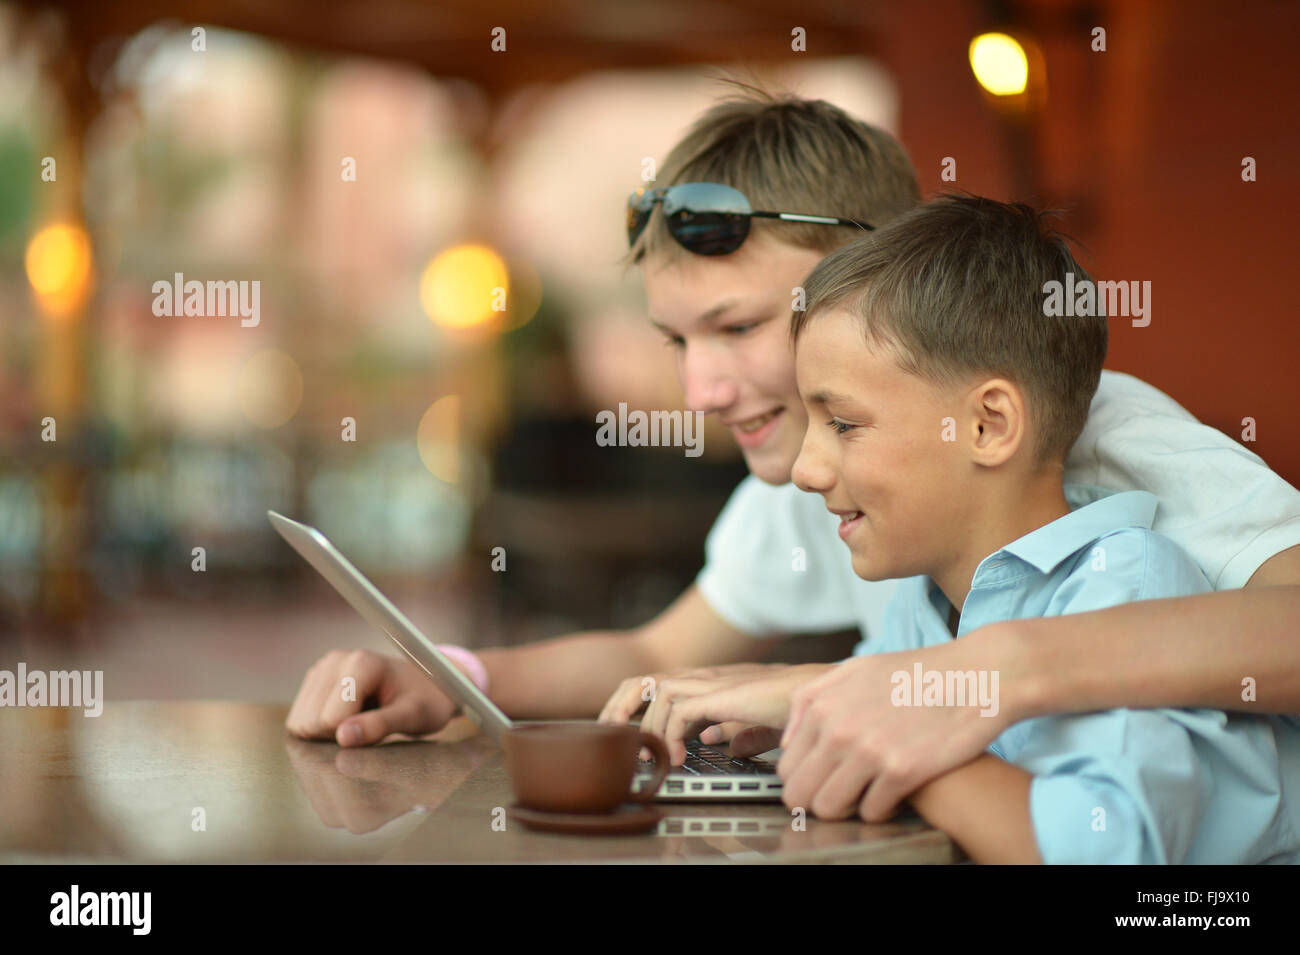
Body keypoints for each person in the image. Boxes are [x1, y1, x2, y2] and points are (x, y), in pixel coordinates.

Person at [285, 86, 1300, 823]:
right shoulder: (820, 471)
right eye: (679, 343)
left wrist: (982, 673)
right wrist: (453, 676)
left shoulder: (1099, 433)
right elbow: (650, 655)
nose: (702, 391)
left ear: (876, 272)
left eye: (737, 326)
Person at [647, 194, 1300, 862]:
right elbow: (868, 720)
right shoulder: (924, 603)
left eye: (842, 423)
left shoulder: (1126, 581)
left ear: (987, 425)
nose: (807, 469)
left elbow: (1107, 852)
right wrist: (805, 708)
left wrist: (910, 748)